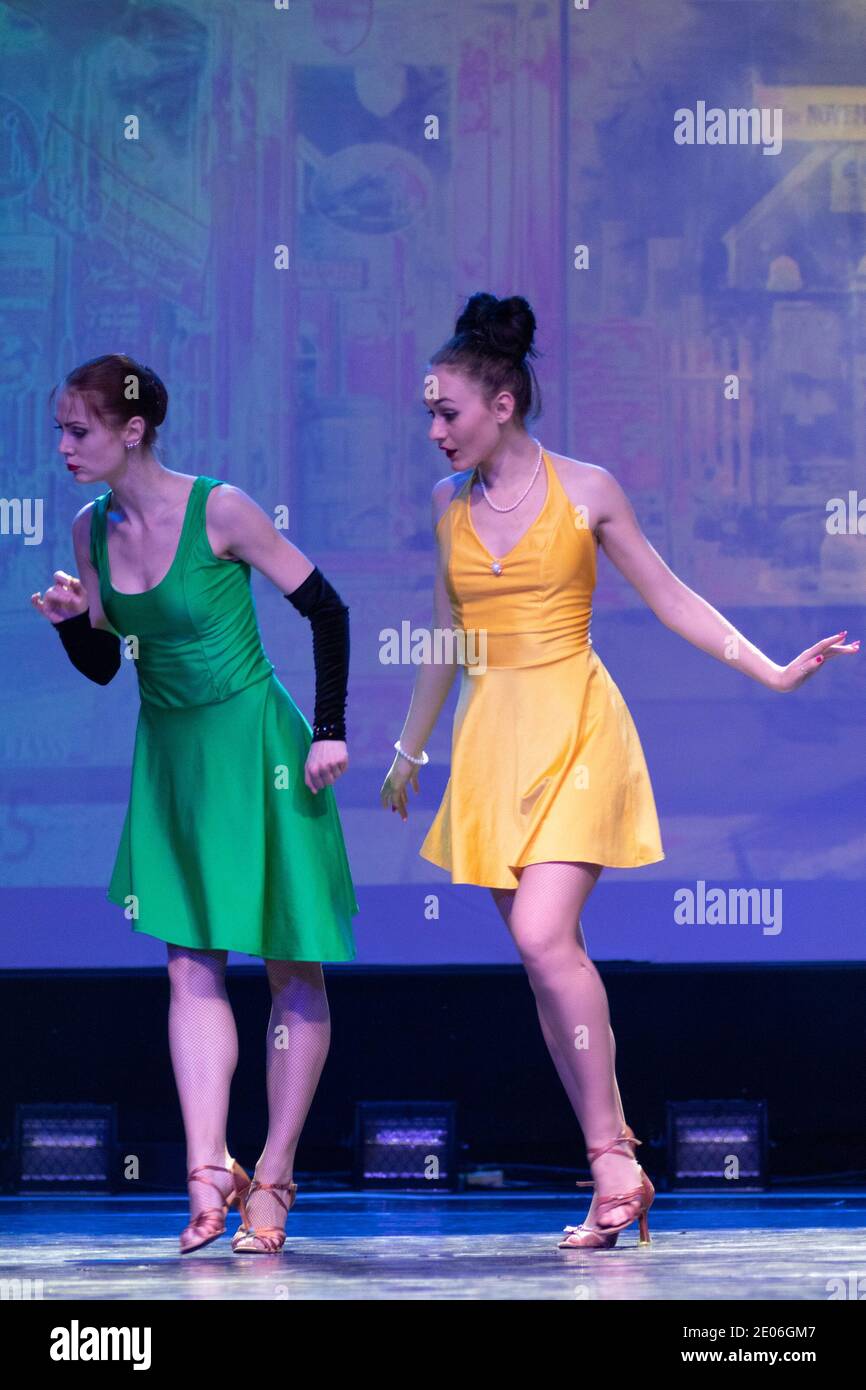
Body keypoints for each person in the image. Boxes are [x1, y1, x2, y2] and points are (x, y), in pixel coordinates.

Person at [379, 293, 859, 1250]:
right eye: (430, 413)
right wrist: (409, 749)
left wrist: (768, 668)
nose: (434, 430)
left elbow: (669, 593)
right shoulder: (447, 507)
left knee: (550, 936)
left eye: (448, 412)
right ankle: (617, 1168)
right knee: (541, 958)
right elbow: (446, 636)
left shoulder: (587, 489)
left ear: (504, 402)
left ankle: (613, 1165)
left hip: (577, 730)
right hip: (490, 741)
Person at [33, 353, 359, 1255]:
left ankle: (278, 1175)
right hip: (171, 758)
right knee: (190, 966)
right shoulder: (87, 531)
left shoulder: (220, 508)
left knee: (291, 963)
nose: (63, 447)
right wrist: (70, 629)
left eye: (79, 430)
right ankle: (209, 1169)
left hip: (258, 749)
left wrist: (329, 732)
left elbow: (327, 609)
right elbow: (109, 662)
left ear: (131, 430)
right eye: (59, 430)